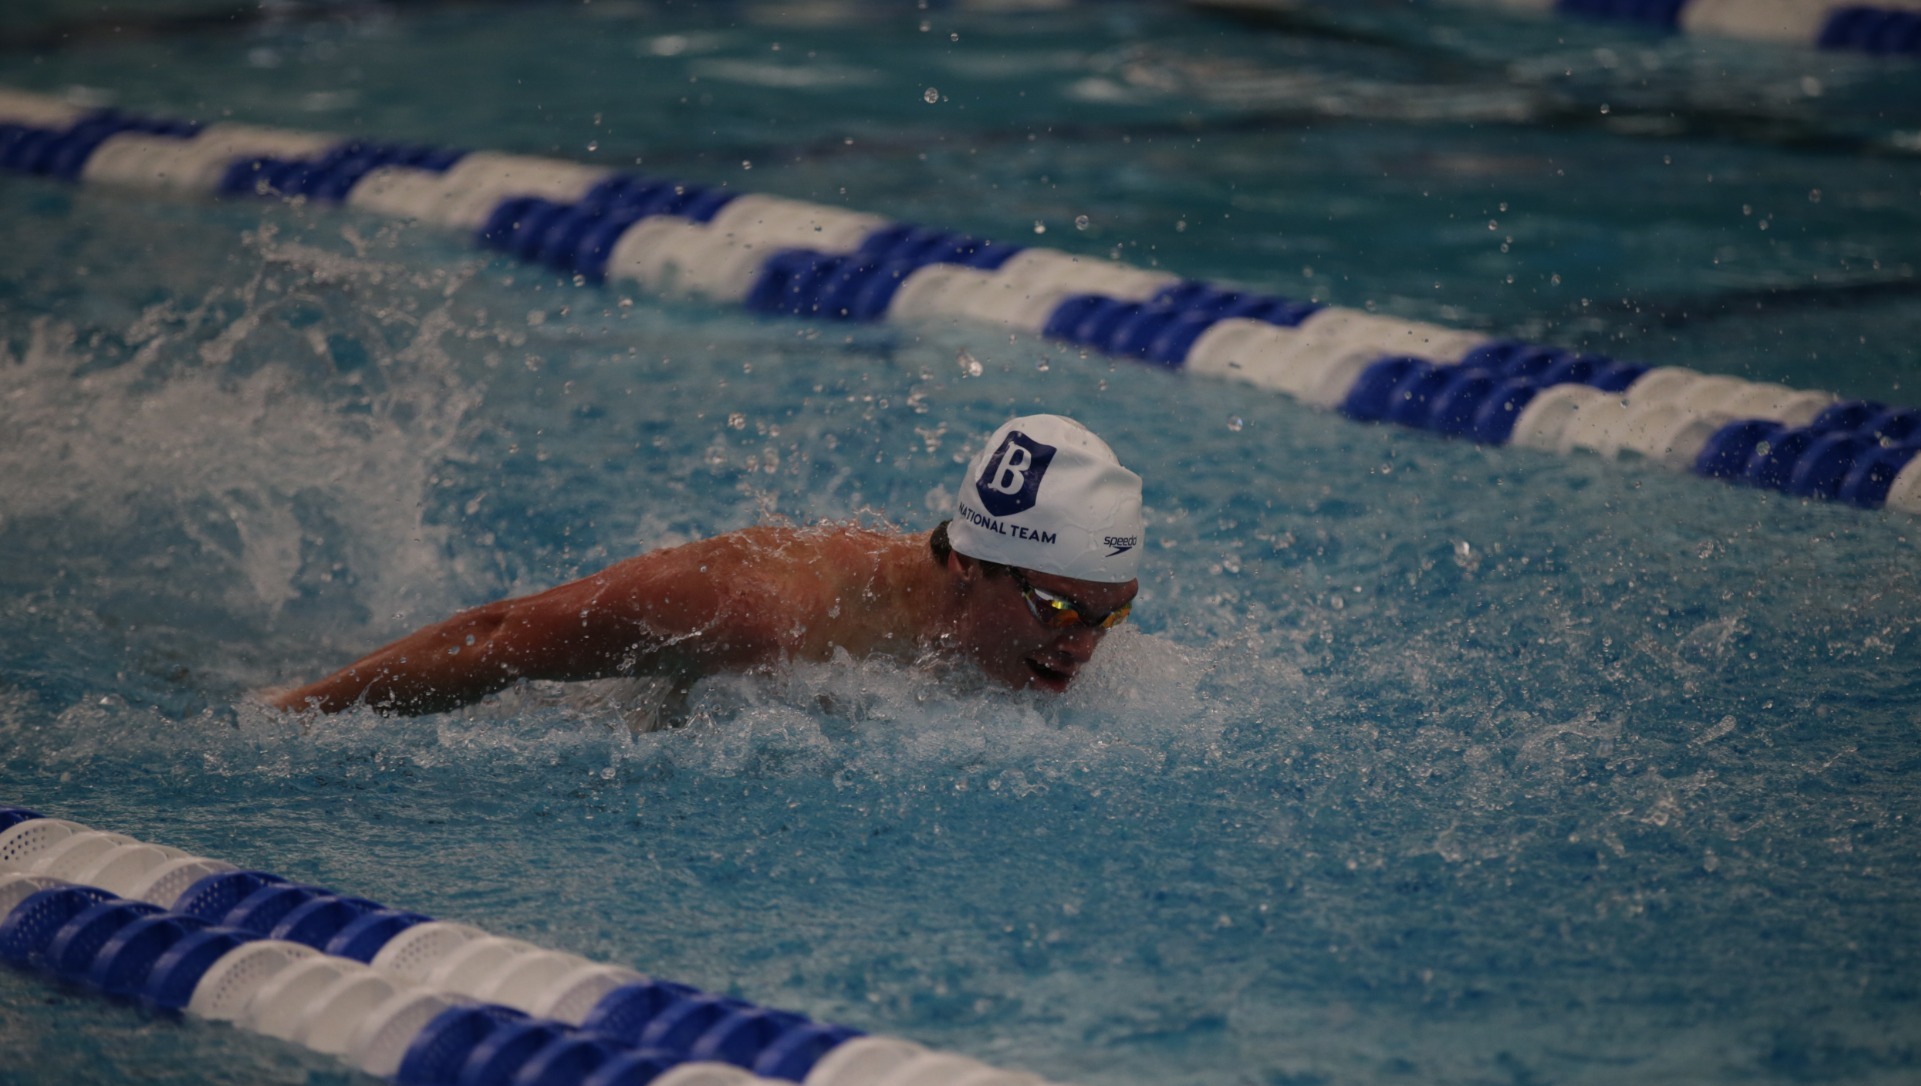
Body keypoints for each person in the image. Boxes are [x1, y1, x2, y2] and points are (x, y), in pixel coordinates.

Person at [269, 414, 1144, 715]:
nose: (1086, 648)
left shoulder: (1038, 643)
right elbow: (499, 637)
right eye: (1061, 611)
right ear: (966, 566)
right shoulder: (760, 606)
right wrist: (294, 715)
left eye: (1111, 615)